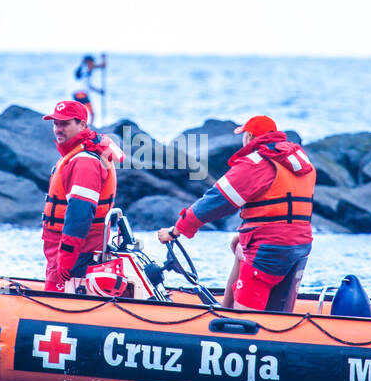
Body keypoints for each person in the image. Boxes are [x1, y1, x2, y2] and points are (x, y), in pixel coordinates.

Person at [158, 115, 315, 312]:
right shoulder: (300, 163)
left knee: (244, 321)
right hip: (300, 246)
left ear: (249, 137)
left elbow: (214, 202)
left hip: (268, 251)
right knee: (241, 248)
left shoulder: (256, 164)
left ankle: (236, 322)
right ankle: (225, 310)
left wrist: (176, 230)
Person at [41, 98, 120, 292]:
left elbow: (80, 215)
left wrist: (66, 259)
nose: (59, 129)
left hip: (76, 255)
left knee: (55, 302)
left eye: (65, 123)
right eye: (56, 123)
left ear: (82, 124)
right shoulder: (79, 154)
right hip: (68, 252)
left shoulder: (84, 161)